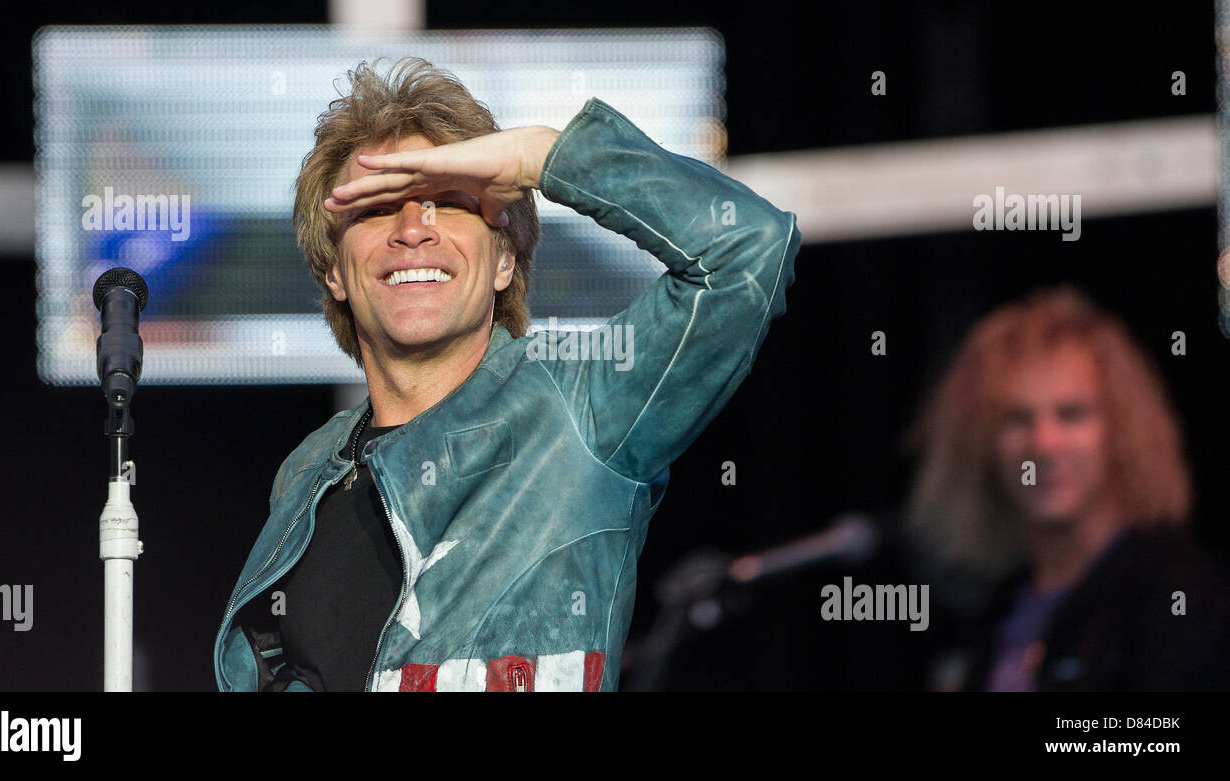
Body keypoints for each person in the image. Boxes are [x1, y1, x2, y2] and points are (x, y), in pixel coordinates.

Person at [212, 57, 800, 691]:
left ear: (503, 260)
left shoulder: (576, 408)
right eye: (379, 207)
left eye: (448, 202)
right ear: (333, 271)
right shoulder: (307, 469)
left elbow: (747, 251)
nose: (415, 229)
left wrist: (541, 157)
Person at [903, 286, 1230, 691]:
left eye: (1071, 415)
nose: (1044, 443)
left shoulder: (1180, 598)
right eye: (1018, 419)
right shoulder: (997, 611)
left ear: (1123, 431)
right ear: (981, 443)